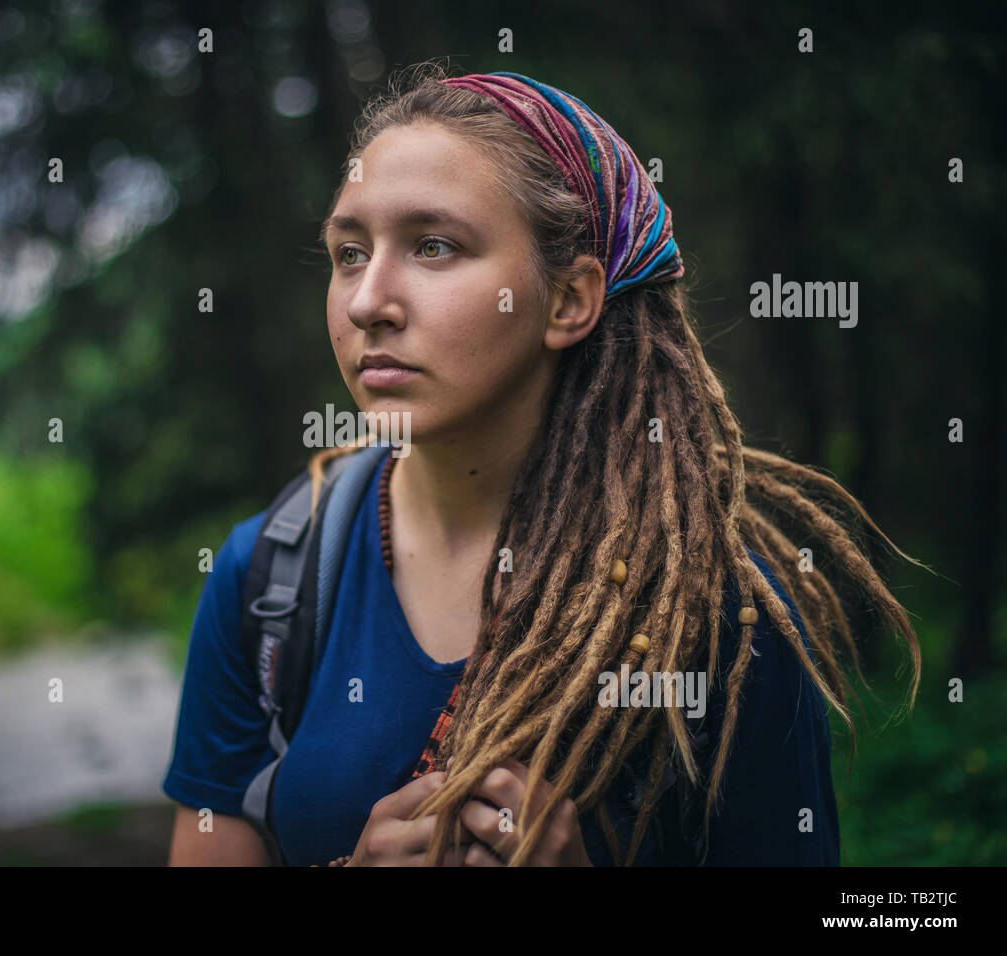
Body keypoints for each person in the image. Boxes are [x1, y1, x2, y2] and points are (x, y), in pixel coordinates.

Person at [162, 61, 923, 866]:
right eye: (349, 252)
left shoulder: (712, 614)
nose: (366, 301)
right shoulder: (269, 578)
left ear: (568, 300)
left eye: (433, 246)